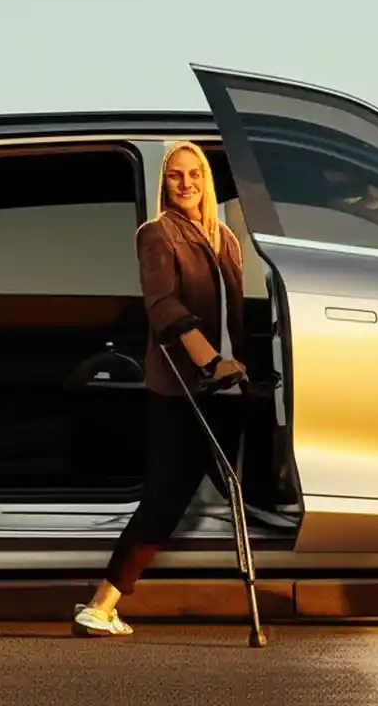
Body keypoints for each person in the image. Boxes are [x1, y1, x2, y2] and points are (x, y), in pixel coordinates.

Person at [72, 141, 249, 637]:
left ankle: (104, 604)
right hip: (182, 388)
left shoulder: (225, 239)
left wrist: (243, 366)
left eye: (195, 175)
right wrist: (209, 361)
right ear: (164, 183)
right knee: (166, 497)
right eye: (176, 176)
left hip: (227, 387)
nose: (186, 183)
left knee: (247, 485)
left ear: (206, 182)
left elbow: (235, 317)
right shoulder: (157, 235)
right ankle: (100, 605)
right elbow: (164, 307)